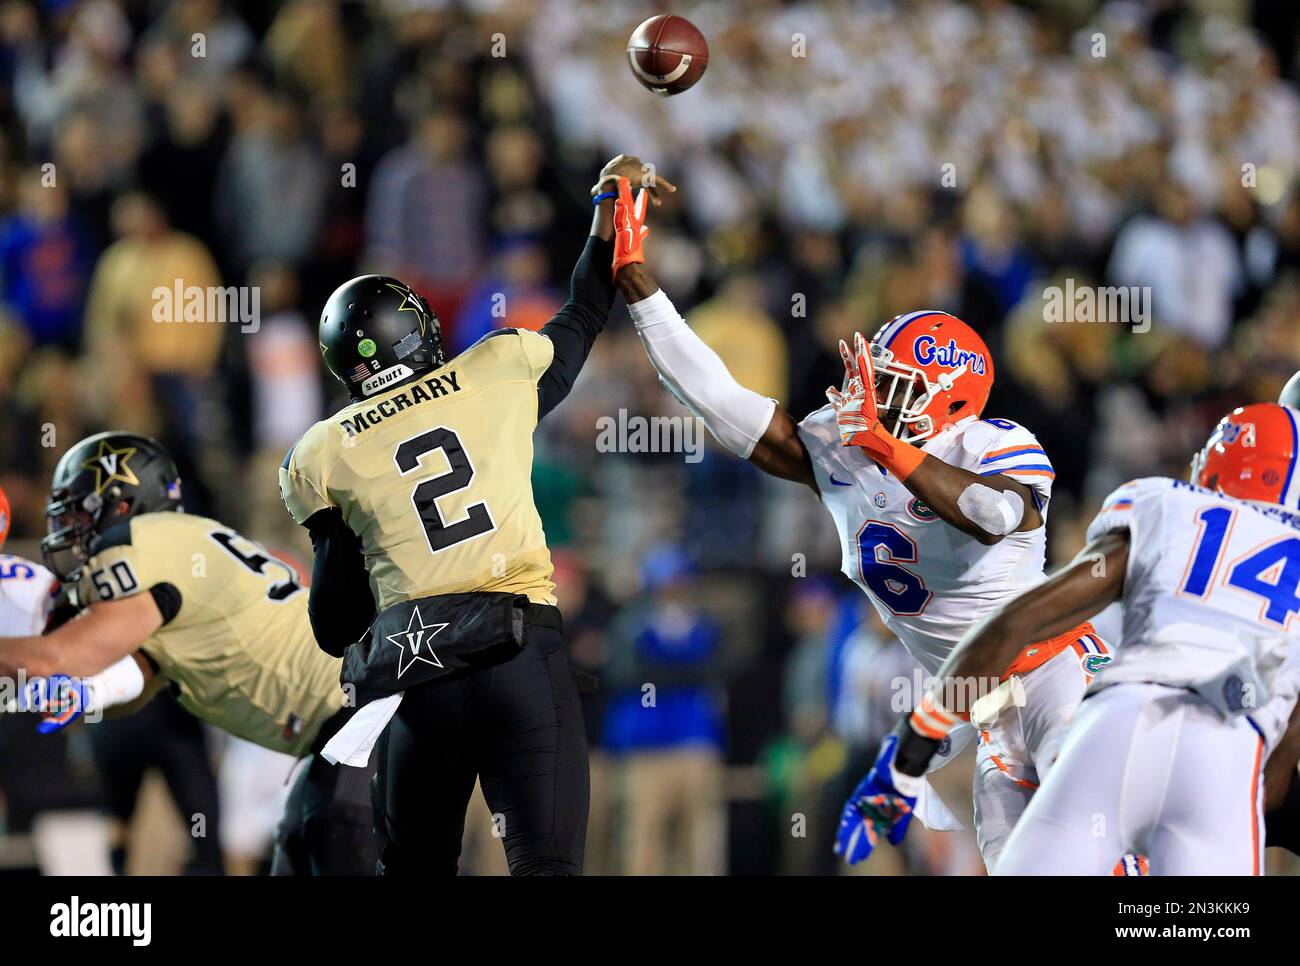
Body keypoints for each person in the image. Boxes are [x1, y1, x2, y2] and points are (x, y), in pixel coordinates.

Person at [619, 260, 1110, 870]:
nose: (874, 397)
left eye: (899, 384)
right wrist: (639, 288)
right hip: (978, 704)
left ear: (953, 399)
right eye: (878, 379)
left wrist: (887, 446)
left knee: (1102, 855)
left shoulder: (988, 443)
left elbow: (993, 514)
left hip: (1062, 675)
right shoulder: (842, 453)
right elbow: (718, 401)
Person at [280, 155, 672, 876]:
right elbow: (586, 311)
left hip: (416, 666)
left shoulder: (325, 450)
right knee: (545, 864)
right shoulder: (493, 371)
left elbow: (335, 625)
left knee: (417, 869)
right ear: (421, 328)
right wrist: (606, 209)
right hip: (520, 648)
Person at [854, 403, 1300, 874]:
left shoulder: (1168, 505)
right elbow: (1279, 766)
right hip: (1226, 755)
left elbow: (1015, 623)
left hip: (1122, 721)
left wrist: (916, 744)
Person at [0, 432, 375, 875]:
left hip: (359, 719)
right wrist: (90, 694)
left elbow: (59, 657)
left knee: (340, 848)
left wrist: (60, 670)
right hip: (341, 724)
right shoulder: (177, 546)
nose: (66, 530)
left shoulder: (139, 542)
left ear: (121, 506)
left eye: (78, 512)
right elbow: (143, 671)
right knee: (298, 850)